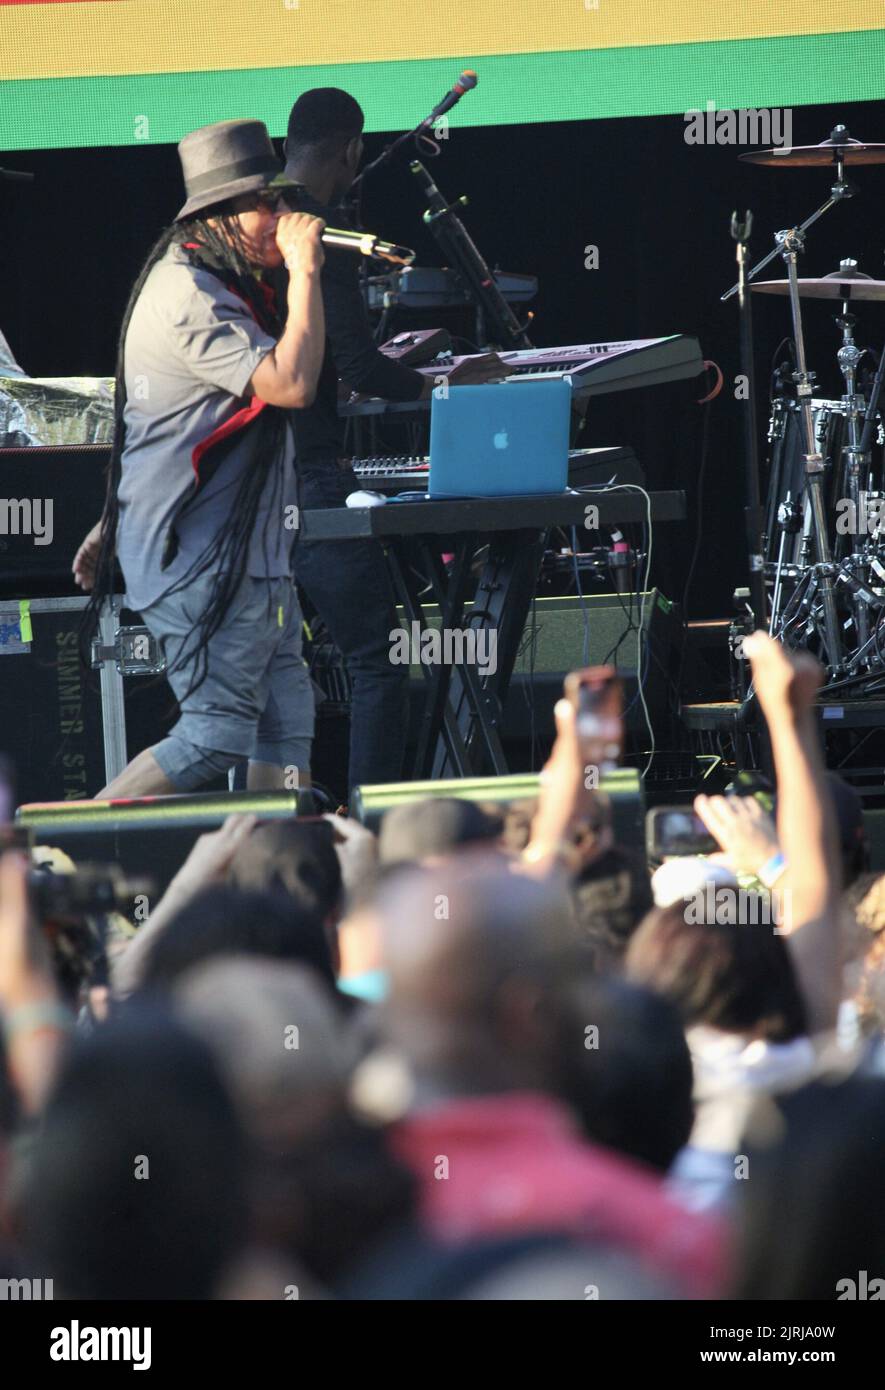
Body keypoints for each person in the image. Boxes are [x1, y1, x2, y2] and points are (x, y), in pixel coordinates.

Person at [73, 119, 326, 797]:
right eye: (262, 204)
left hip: (251, 560)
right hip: (202, 559)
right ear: (214, 219)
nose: (279, 216)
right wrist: (304, 270)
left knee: (286, 727)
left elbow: (161, 424)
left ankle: (267, 888)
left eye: (279, 199)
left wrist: (112, 516)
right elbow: (291, 384)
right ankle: (56, 856)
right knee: (215, 735)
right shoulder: (188, 293)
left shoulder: (228, 281)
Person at [279, 88, 506, 792]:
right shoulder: (324, 235)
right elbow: (356, 362)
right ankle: (367, 822)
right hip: (306, 473)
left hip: (242, 479)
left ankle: (271, 827)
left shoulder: (244, 222)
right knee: (374, 659)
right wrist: (443, 388)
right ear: (349, 150)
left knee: (268, 662)